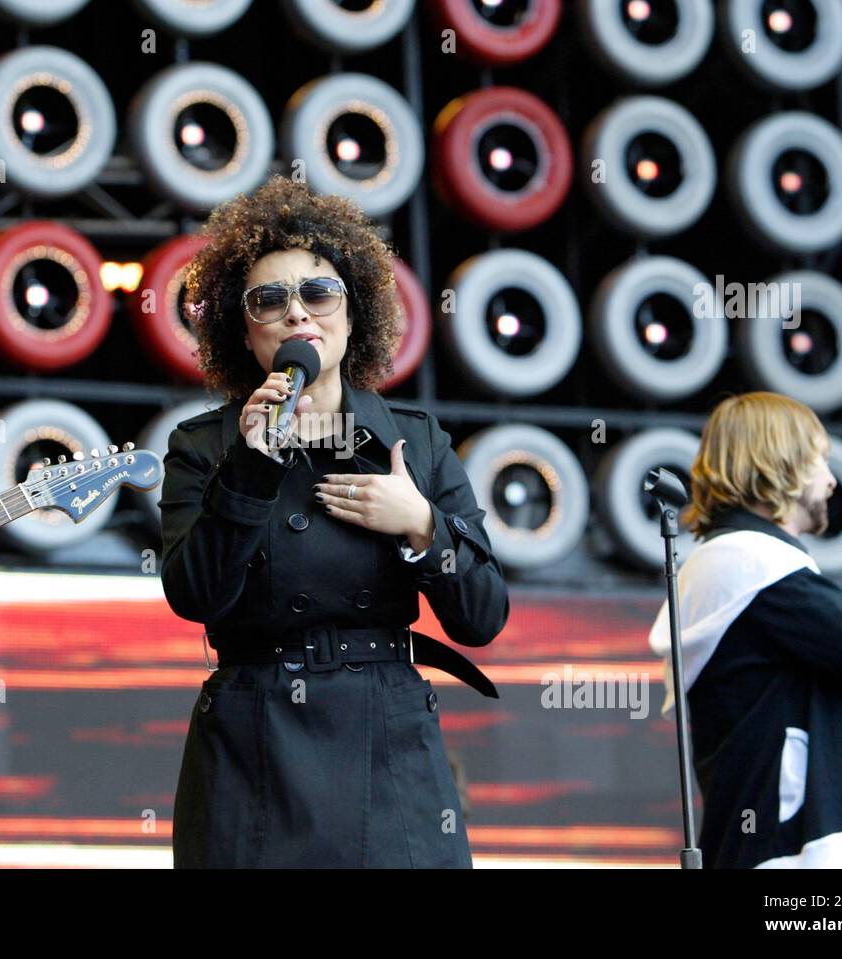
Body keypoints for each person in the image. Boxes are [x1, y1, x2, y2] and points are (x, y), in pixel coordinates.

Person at [159, 175, 510, 868]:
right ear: (244, 328)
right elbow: (193, 594)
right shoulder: (204, 446)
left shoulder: (416, 440)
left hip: (385, 735)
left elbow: (483, 615)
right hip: (252, 739)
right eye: (270, 300)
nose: (299, 314)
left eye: (319, 294)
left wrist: (421, 526)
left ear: (353, 317)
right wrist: (253, 472)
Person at [648, 391, 842, 868]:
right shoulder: (753, 566)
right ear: (779, 463)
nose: (832, 481)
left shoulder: (743, 571)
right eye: (820, 461)